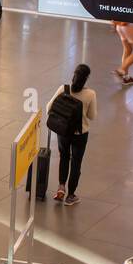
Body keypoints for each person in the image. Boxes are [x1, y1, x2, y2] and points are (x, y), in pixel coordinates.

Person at [47, 64, 97, 205]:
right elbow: (92, 116)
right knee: (76, 162)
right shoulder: (90, 94)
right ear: (86, 78)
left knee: (64, 157)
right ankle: (71, 196)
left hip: (64, 131)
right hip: (80, 134)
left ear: (74, 75)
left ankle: (61, 187)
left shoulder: (64, 89)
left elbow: (48, 107)